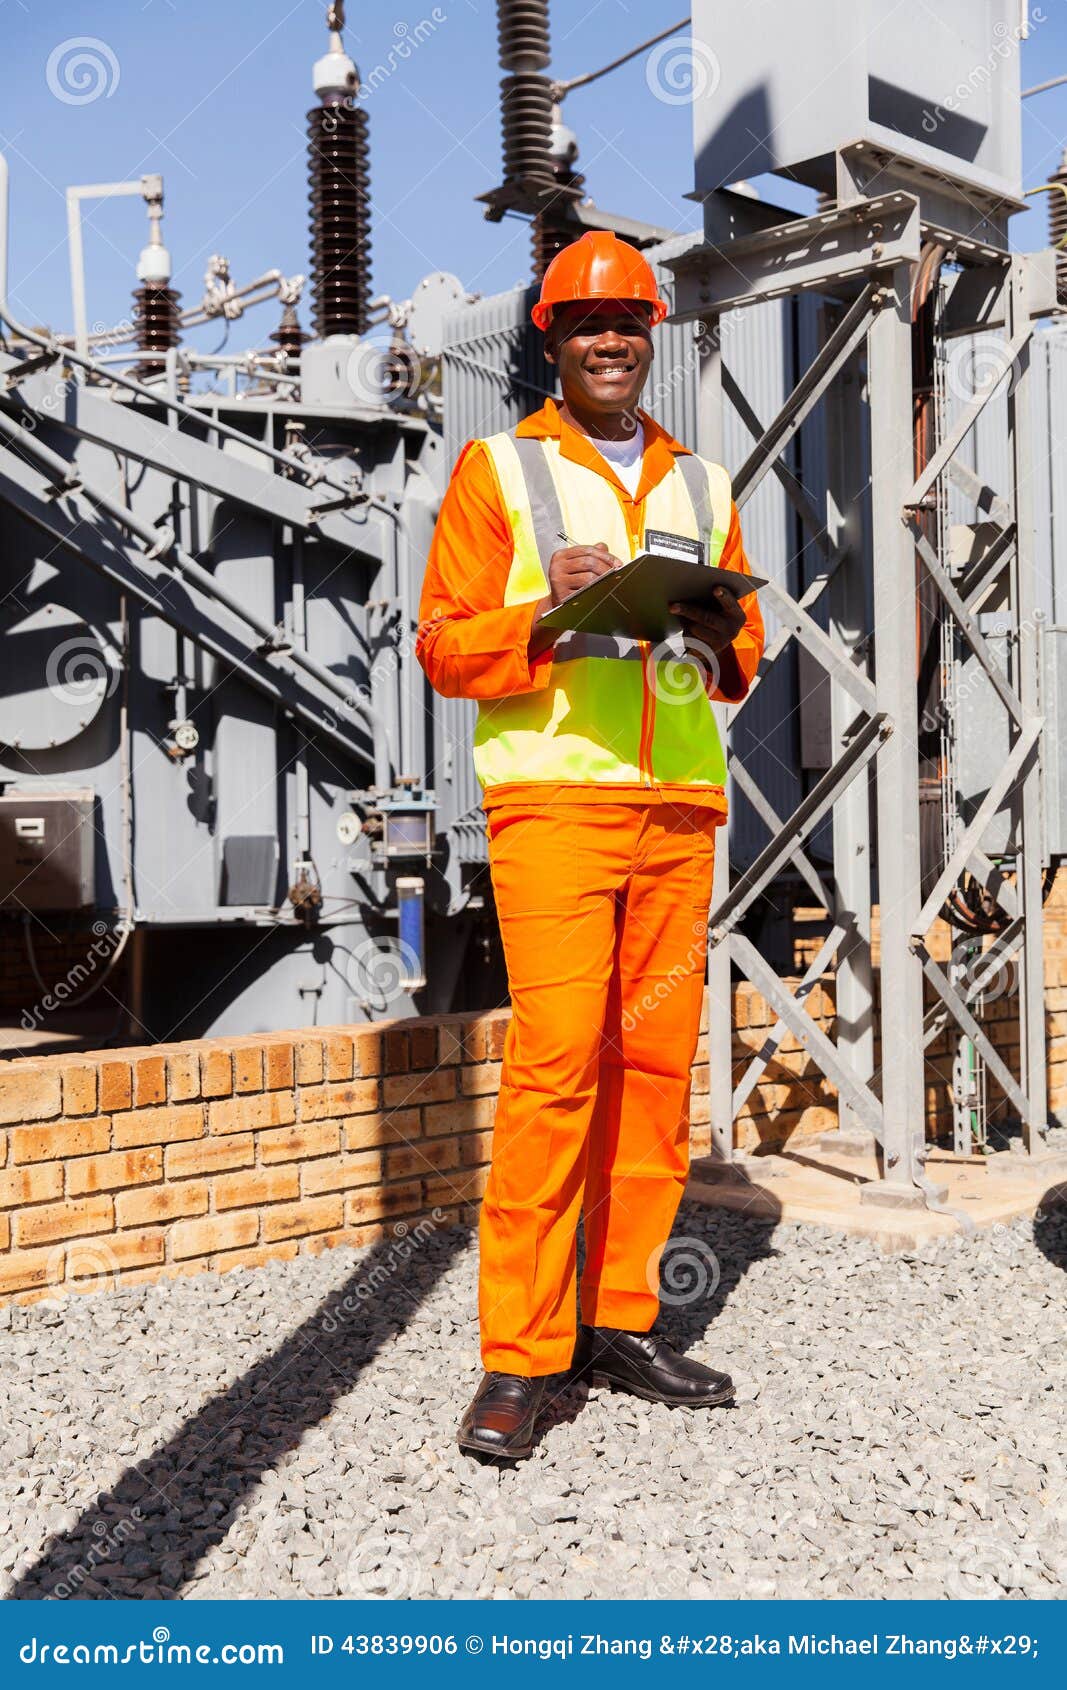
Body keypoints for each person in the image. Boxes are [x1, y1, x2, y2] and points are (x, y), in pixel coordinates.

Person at [417, 231, 764, 1459]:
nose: (608, 340)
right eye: (584, 324)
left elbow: (743, 650)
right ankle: (521, 1355)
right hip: (556, 803)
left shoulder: (701, 482)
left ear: (648, 336)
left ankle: (620, 1319)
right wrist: (545, 611)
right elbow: (445, 645)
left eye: (627, 321)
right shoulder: (497, 470)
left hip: (676, 808)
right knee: (559, 1065)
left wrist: (712, 632)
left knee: (656, 1071)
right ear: (552, 343)